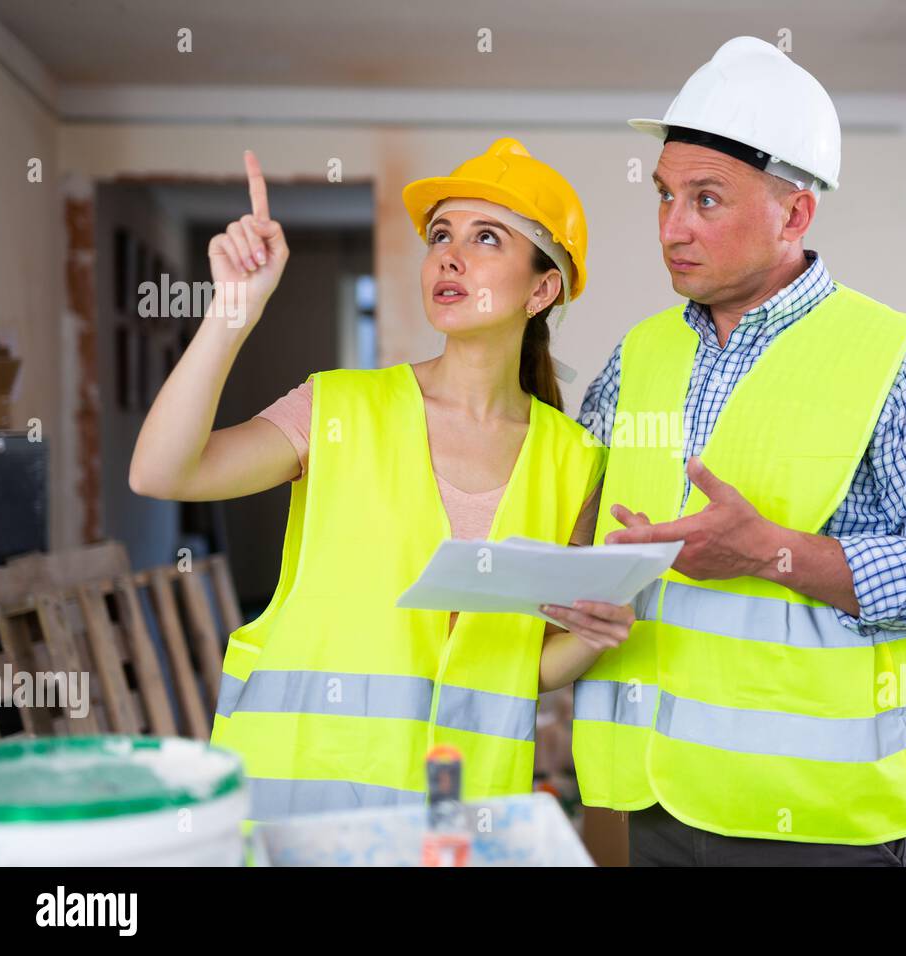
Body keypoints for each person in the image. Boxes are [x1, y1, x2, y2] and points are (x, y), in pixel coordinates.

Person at [572, 37, 906, 866]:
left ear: (795, 213)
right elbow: (583, 523)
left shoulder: (898, 359)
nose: (672, 227)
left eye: (706, 199)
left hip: (824, 823)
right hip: (653, 800)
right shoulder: (640, 355)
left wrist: (770, 553)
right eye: (663, 196)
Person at [129, 138, 631, 821]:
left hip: (459, 816)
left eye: (487, 237)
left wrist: (594, 637)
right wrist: (233, 311)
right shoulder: (340, 408)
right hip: (299, 807)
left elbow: (520, 668)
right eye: (441, 235)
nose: (449, 255)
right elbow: (162, 472)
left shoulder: (574, 461)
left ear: (542, 290)